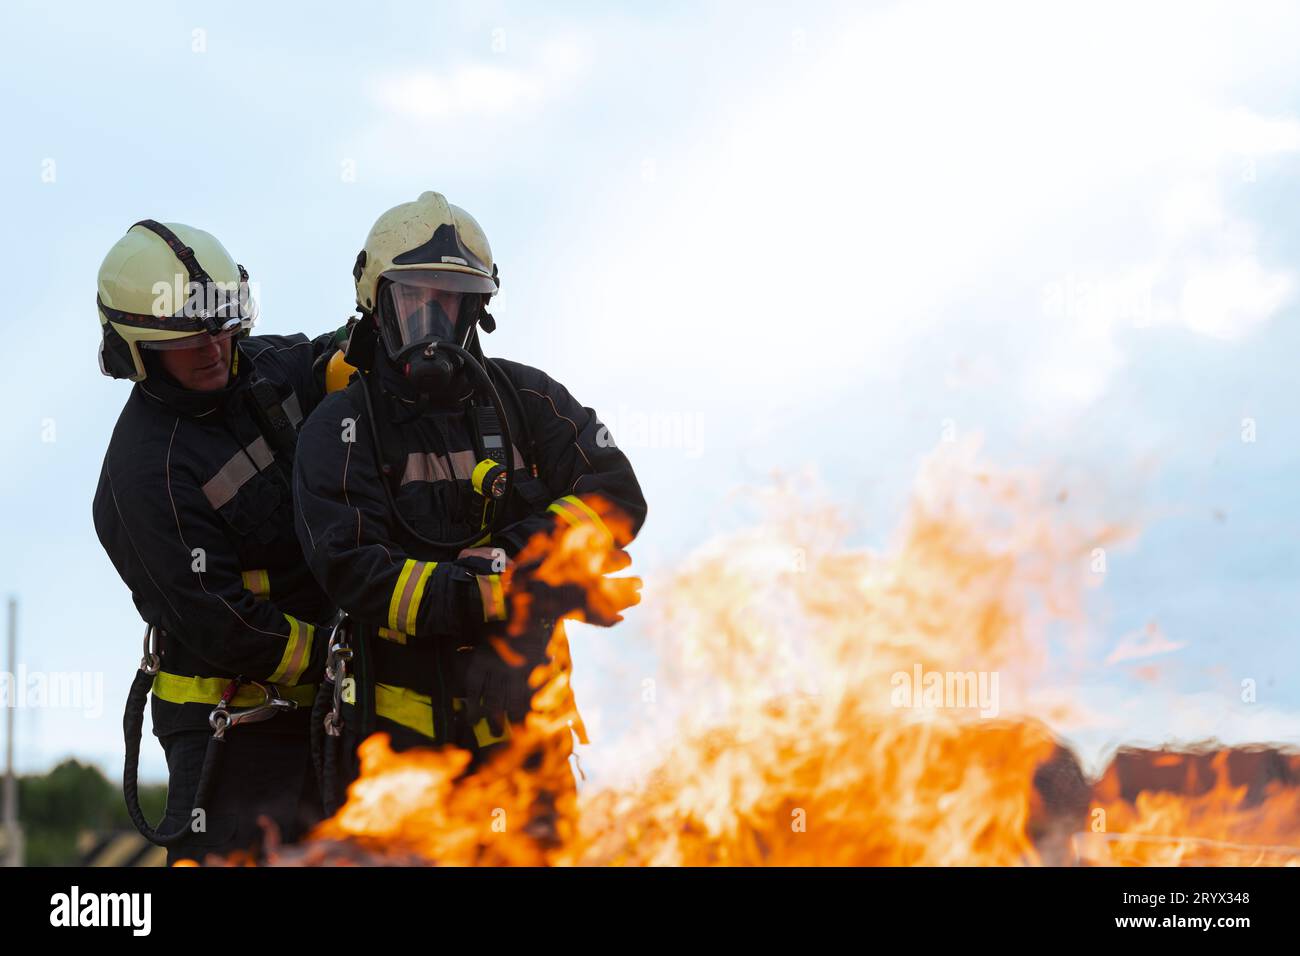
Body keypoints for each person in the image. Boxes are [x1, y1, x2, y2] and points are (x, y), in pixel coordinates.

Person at [293, 191, 647, 824]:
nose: (432, 318)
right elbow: (350, 565)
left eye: (449, 298)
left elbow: (617, 499)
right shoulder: (341, 427)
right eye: (414, 297)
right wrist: (481, 594)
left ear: (476, 308)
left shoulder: (530, 400)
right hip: (397, 760)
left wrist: (511, 559)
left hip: (527, 747)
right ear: (378, 305)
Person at [92, 219, 340, 863]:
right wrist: (343, 657)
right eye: (187, 337)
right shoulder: (145, 474)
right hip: (228, 732)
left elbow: (337, 358)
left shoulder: (268, 367)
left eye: (224, 325)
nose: (214, 349)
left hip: (320, 711)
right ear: (135, 350)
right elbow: (223, 620)